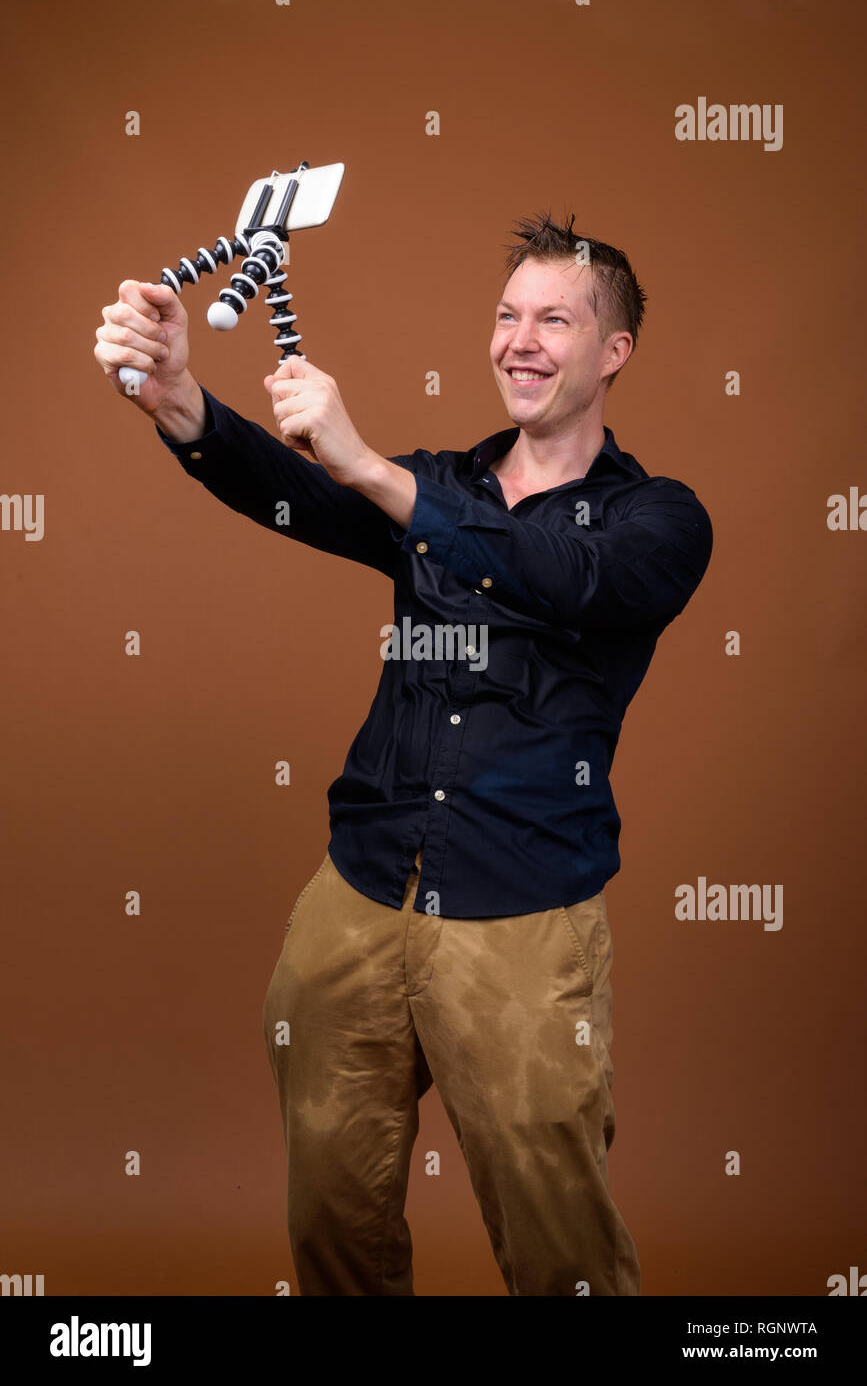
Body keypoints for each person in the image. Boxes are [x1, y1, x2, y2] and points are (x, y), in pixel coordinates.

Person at [94, 212, 713, 1296]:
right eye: (507, 314)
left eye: (554, 319)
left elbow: (564, 580)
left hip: (523, 916)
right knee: (333, 1209)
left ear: (613, 351)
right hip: (360, 892)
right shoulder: (442, 486)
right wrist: (178, 400)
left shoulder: (658, 521)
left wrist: (376, 469)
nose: (520, 339)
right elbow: (292, 491)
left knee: (559, 1240)